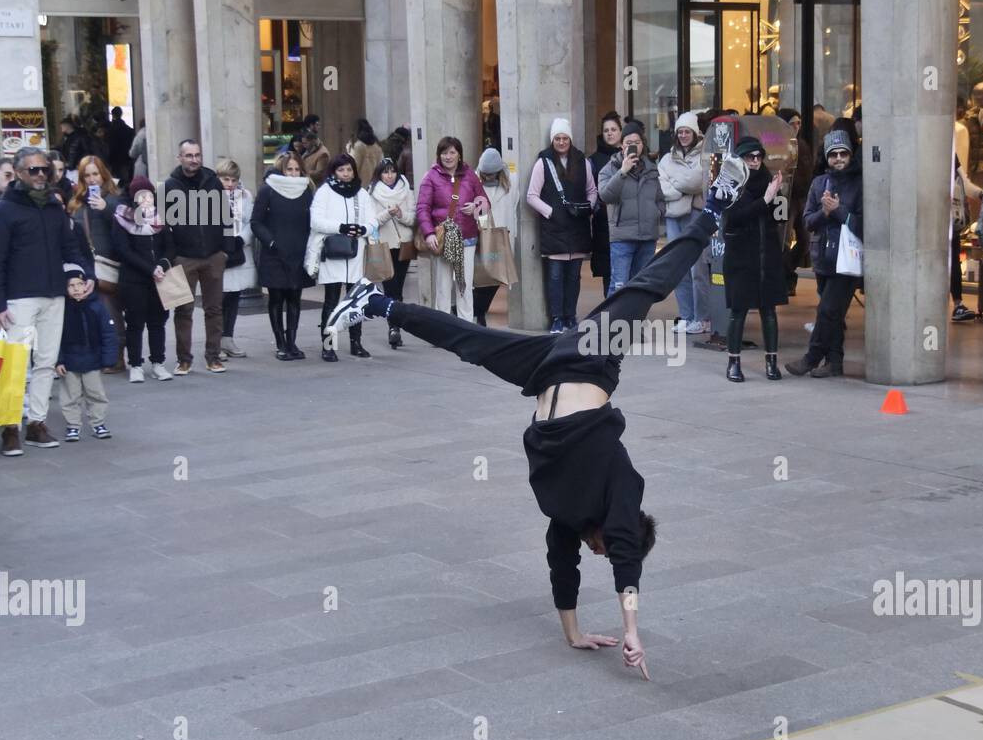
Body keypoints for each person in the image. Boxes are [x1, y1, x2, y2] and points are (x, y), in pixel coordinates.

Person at [322, 153, 753, 679]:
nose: (597, 553)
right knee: (644, 289)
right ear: (621, 533)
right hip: (591, 358)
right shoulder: (621, 495)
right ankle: (716, 208)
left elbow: (561, 565)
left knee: (472, 342)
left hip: (548, 369)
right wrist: (632, 631)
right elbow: (625, 561)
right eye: (606, 548)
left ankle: (378, 305)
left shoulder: (569, 519)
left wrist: (573, 633)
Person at [0, 147, 89, 455]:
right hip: (18, 299)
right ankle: (9, 427)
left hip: (54, 295)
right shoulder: (4, 211)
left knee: (46, 362)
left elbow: (69, 248)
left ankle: (36, 423)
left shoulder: (54, 208)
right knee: (16, 365)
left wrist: (76, 276)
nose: (42, 174)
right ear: (18, 173)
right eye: (34, 170)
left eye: (46, 169)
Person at [785, 130, 862, 379]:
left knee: (827, 311)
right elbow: (808, 222)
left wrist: (839, 211)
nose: (838, 158)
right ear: (826, 157)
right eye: (833, 154)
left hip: (847, 260)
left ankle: (812, 357)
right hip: (823, 258)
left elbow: (864, 225)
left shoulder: (860, 183)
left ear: (850, 154)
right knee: (834, 314)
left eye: (843, 153)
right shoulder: (819, 183)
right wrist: (825, 213)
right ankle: (834, 362)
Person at [721, 136, 786, 382]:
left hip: (767, 255)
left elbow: (781, 218)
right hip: (741, 256)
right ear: (741, 159)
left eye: (759, 157)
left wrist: (779, 196)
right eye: (750, 157)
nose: (756, 161)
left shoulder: (770, 181)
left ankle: (772, 361)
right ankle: (733, 362)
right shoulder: (730, 185)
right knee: (738, 310)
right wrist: (765, 200)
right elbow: (734, 218)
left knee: (769, 310)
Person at [164, 139, 229, 374]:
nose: (194, 159)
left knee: (214, 309)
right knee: (182, 310)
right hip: (182, 257)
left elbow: (226, 216)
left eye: (197, 155)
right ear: (179, 158)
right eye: (189, 155)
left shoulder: (213, 182)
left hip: (213, 255)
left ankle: (213, 356)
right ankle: (184, 359)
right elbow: (164, 225)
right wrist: (170, 257)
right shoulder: (170, 186)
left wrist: (224, 251)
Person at [528, 119, 596, 332]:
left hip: (578, 228)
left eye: (564, 138)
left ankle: (570, 316)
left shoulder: (582, 161)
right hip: (554, 230)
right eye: (557, 138)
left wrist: (588, 208)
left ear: (570, 139)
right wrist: (551, 212)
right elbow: (531, 196)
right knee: (555, 277)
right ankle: (557, 318)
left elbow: (592, 190)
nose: (561, 142)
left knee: (574, 277)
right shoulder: (543, 162)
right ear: (552, 140)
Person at [307, 153, 376, 361]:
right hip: (333, 252)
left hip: (356, 254)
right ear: (334, 171)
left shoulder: (362, 194)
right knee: (331, 301)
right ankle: (329, 346)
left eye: (349, 170)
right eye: (341, 170)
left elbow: (372, 222)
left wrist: (362, 229)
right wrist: (341, 228)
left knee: (356, 301)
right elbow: (316, 221)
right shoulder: (324, 192)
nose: (345, 174)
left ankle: (356, 343)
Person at [416, 136, 489, 320]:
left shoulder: (470, 175)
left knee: (464, 284)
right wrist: (429, 233)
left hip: (467, 237)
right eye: (444, 153)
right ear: (438, 155)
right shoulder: (431, 177)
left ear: (459, 154)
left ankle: (466, 326)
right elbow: (422, 208)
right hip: (444, 238)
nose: (448, 157)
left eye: (452, 152)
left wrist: (476, 207)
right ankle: (442, 327)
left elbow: (484, 201)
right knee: (443, 285)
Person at [111, 176, 175, 382]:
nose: (145, 198)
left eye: (148, 194)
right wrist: (150, 269)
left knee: (158, 322)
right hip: (134, 278)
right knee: (135, 322)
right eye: (140, 195)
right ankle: (136, 364)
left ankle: (158, 362)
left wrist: (162, 265)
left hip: (160, 277)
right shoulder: (122, 218)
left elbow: (171, 246)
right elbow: (123, 250)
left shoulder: (162, 217)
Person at [251, 153, 314, 361]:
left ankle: (292, 342)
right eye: (290, 169)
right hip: (275, 253)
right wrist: (271, 242)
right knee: (276, 298)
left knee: (295, 298)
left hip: (299, 252)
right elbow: (256, 222)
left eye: (297, 169)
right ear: (281, 170)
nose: (294, 174)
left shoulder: (306, 191)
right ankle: (280, 344)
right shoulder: (268, 190)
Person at [67, 155, 125, 371]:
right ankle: (100, 356)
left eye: (95, 174)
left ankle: (118, 356)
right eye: (87, 175)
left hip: (112, 263)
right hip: (87, 265)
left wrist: (106, 208)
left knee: (111, 311)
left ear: (103, 174)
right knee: (93, 313)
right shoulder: (76, 202)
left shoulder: (115, 198)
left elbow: (127, 226)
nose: (92, 179)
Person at [657, 112, 708, 333]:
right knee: (678, 268)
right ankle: (686, 316)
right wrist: (684, 187)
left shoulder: (705, 154)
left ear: (695, 133)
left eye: (687, 131)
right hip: (673, 218)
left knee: (698, 269)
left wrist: (676, 182)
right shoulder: (667, 158)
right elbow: (661, 187)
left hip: (696, 216)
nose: (684, 135)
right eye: (680, 132)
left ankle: (702, 318)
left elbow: (698, 180)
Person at [598, 124, 664, 295]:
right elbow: (605, 195)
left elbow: (659, 198)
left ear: (643, 144)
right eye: (628, 143)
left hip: (648, 236)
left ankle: (636, 321)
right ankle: (614, 322)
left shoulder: (651, 168)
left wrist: (657, 213)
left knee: (641, 286)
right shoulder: (609, 169)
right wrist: (623, 171)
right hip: (622, 237)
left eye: (637, 142)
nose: (633, 146)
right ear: (621, 145)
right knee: (618, 286)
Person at [55, 269, 117, 441]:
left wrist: (109, 359)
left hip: (92, 359)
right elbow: (55, 337)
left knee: (96, 394)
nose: (76, 289)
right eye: (71, 285)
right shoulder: (62, 309)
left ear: (86, 286)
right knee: (70, 396)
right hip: (69, 361)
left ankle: (98, 423)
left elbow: (108, 333)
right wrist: (58, 360)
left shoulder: (97, 306)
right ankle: (73, 425)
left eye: (80, 284)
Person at [368, 156, 416, 347]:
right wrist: (388, 213)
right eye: (385, 172)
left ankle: (395, 325)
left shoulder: (407, 190)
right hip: (384, 245)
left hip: (404, 244)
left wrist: (401, 214)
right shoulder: (372, 193)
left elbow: (413, 219)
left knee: (399, 288)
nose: (389, 176)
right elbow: (371, 222)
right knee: (390, 288)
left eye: (392, 171)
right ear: (379, 174)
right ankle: (394, 327)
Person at [215, 158, 256, 360]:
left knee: (234, 297)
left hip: (239, 252)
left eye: (233, 180)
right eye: (225, 179)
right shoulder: (209, 197)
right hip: (219, 253)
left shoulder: (244, 196)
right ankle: (215, 342)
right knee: (218, 299)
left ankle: (228, 338)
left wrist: (242, 239)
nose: (229, 184)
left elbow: (251, 221)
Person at [778, 108, 815, 297]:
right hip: (783, 198)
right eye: (793, 123)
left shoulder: (802, 145)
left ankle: (787, 273)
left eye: (799, 123)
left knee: (804, 240)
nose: (796, 126)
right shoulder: (776, 143)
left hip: (801, 198)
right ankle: (786, 278)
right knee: (783, 239)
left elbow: (808, 171)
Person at [475, 147, 513, 326]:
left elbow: (513, 207)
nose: (488, 177)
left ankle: (477, 310)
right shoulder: (474, 182)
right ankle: (479, 313)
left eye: (492, 174)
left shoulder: (511, 183)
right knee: (481, 275)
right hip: (480, 235)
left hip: (501, 237)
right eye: (485, 173)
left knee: (496, 277)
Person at [588, 112, 622, 297]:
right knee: (609, 272)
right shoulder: (594, 160)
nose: (610, 133)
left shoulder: (630, 154)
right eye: (606, 130)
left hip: (627, 219)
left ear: (621, 132)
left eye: (613, 129)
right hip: (604, 222)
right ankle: (611, 313)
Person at [950, 153, 981, 322]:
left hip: (948, 216)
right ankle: (957, 304)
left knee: (954, 260)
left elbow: (964, 182)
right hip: (931, 215)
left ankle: (958, 303)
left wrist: (981, 194)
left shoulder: (950, 152)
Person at [347, 118, 384, 188]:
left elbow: (353, 166)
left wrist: (349, 150)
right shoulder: (377, 146)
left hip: (360, 185)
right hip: (375, 185)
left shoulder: (358, 146)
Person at [107, 106, 136, 186]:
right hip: (125, 156)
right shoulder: (128, 129)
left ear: (113, 115)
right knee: (124, 177)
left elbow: (111, 145)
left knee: (116, 178)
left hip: (115, 158)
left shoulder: (111, 129)